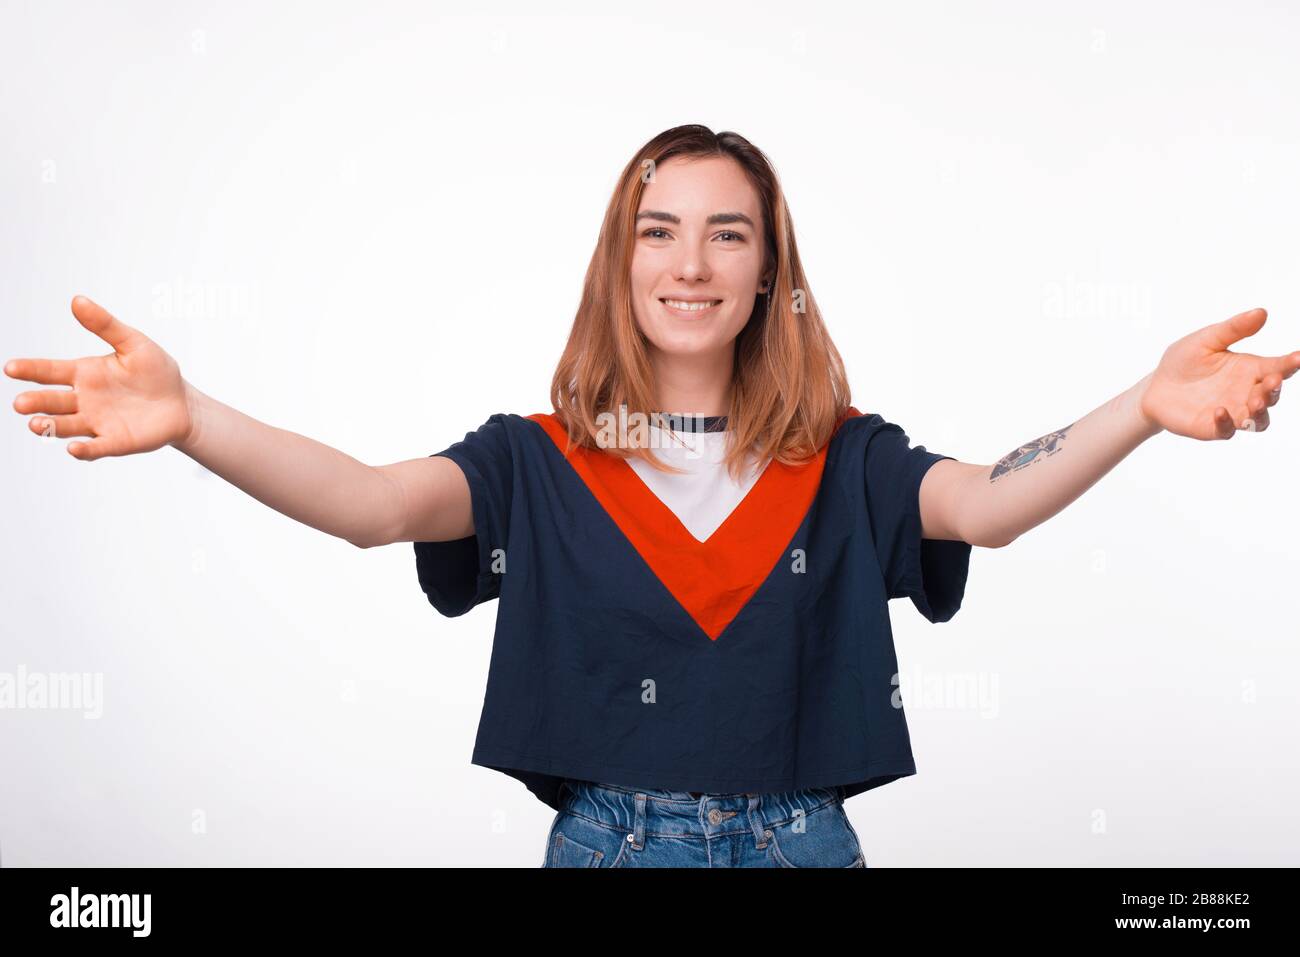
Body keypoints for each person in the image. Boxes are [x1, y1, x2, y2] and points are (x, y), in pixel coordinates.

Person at [6, 124, 1297, 869]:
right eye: (657, 228)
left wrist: (1139, 401)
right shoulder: (539, 459)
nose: (691, 261)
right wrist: (191, 421)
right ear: (619, 262)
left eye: (728, 231)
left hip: (805, 842)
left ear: (767, 268)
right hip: (612, 845)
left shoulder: (843, 457)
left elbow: (990, 505)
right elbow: (367, 502)